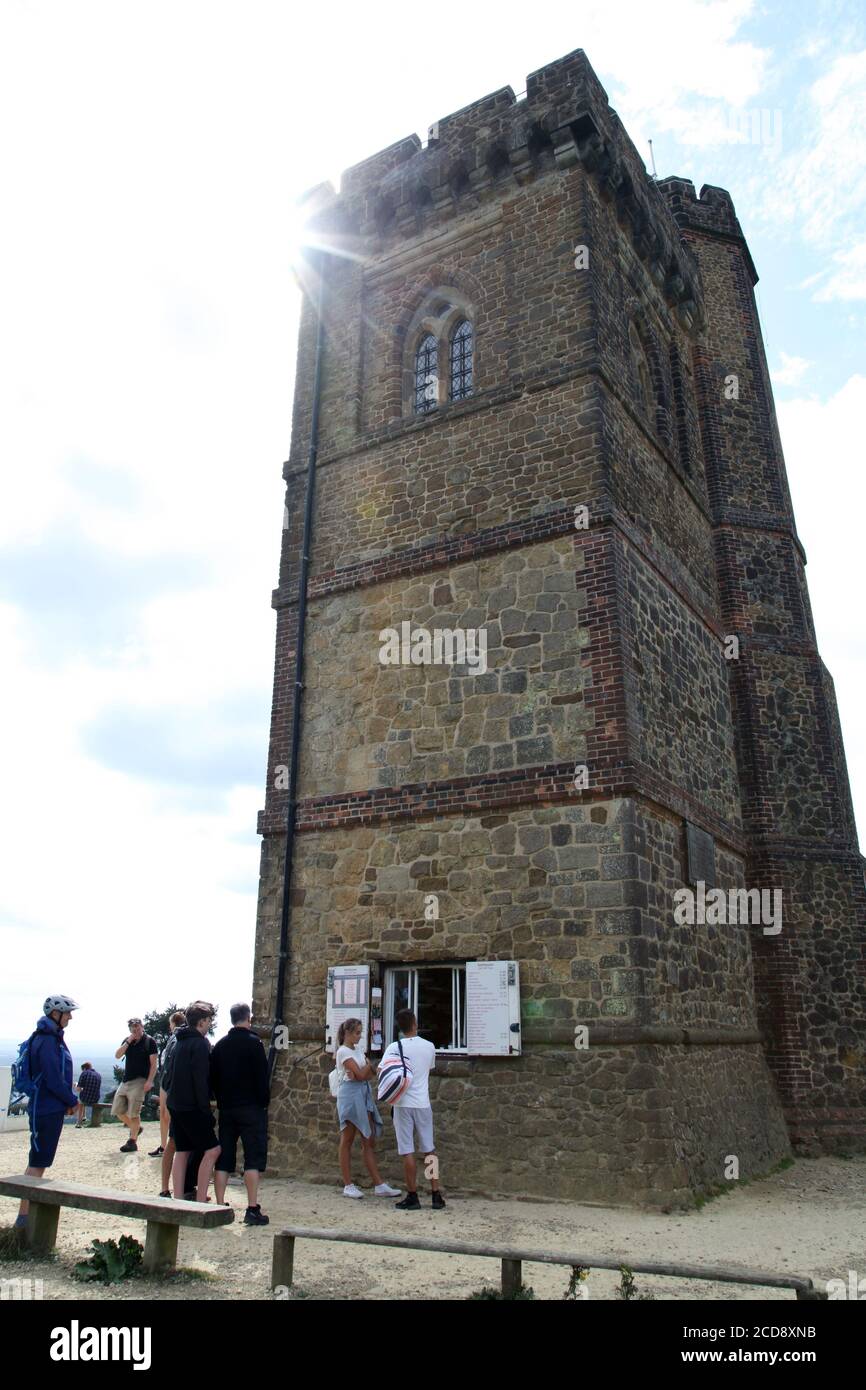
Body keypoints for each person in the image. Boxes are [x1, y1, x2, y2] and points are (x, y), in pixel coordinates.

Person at [15, 995, 81, 1226]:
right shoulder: (47, 1040)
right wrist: (71, 1100)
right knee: (37, 1162)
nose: (70, 1017)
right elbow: (53, 1079)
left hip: (45, 1106)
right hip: (46, 1108)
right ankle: (23, 1220)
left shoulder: (47, 1037)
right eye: (67, 1013)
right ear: (56, 1014)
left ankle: (25, 1216)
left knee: (38, 1160)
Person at [211, 1003, 271, 1225]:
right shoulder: (255, 1044)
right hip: (251, 1109)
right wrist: (263, 1103)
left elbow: (213, 1078)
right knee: (252, 1159)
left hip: (227, 1109)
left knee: (224, 1158)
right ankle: (252, 1208)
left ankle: (218, 1205)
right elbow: (262, 1079)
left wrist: (221, 1100)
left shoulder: (220, 1046)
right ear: (249, 1018)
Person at [381, 1008, 445, 1211]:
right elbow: (428, 1068)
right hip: (423, 1102)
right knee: (429, 1149)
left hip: (402, 1102)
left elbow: (383, 1070)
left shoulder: (393, 1047)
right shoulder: (429, 1047)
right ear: (415, 1023)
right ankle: (435, 1193)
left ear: (399, 1026)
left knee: (407, 1149)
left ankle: (413, 1194)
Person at [335, 1017, 400, 1200]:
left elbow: (363, 1074)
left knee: (368, 1138)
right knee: (347, 1139)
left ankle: (379, 1184)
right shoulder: (342, 1051)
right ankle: (348, 1185)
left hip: (362, 1094)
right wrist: (367, 1070)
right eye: (357, 1032)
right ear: (347, 1033)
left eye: (360, 1032)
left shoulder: (357, 1050)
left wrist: (364, 1072)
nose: (359, 1036)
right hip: (350, 1096)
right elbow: (363, 1073)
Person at [166, 1000, 221, 1202]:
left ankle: (179, 1198)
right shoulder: (199, 1043)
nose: (209, 1025)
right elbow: (200, 1079)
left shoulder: (179, 1041)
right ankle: (200, 1199)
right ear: (202, 1022)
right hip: (192, 1106)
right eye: (208, 1021)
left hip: (175, 1103)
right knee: (213, 1149)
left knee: (182, 1150)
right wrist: (205, 1110)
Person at [150, 1011, 187, 1197]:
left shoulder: (174, 1040)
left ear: (173, 1024)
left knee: (172, 1137)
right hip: (179, 1093)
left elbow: (165, 1068)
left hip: (170, 1089)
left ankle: (168, 1188)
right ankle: (182, 1189)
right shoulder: (186, 1039)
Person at [112, 1017, 158, 1152]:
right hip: (126, 1080)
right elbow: (117, 1055)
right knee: (118, 1111)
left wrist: (150, 1081)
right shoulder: (128, 1041)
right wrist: (128, 1041)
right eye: (133, 1028)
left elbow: (154, 1064)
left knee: (134, 1113)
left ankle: (132, 1142)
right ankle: (136, 1128)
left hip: (140, 1080)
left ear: (142, 1027)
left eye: (138, 1028)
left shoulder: (150, 1042)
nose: (136, 1030)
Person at [75, 1061, 102, 1127]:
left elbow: (78, 1089)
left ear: (84, 1069)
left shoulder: (84, 1073)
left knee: (80, 1101)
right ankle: (84, 1116)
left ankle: (79, 1123)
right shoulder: (98, 1074)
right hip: (96, 1098)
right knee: (84, 1096)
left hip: (85, 1098)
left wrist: (75, 1085)